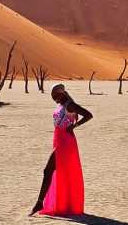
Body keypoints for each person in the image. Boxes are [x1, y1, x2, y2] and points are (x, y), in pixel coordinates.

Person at [30, 84, 93, 217]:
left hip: (66, 142)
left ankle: (39, 202)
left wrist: (74, 126)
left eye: (55, 96)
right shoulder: (60, 104)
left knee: (48, 170)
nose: (54, 99)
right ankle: (62, 204)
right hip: (58, 139)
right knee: (61, 172)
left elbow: (88, 115)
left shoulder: (70, 105)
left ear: (61, 94)